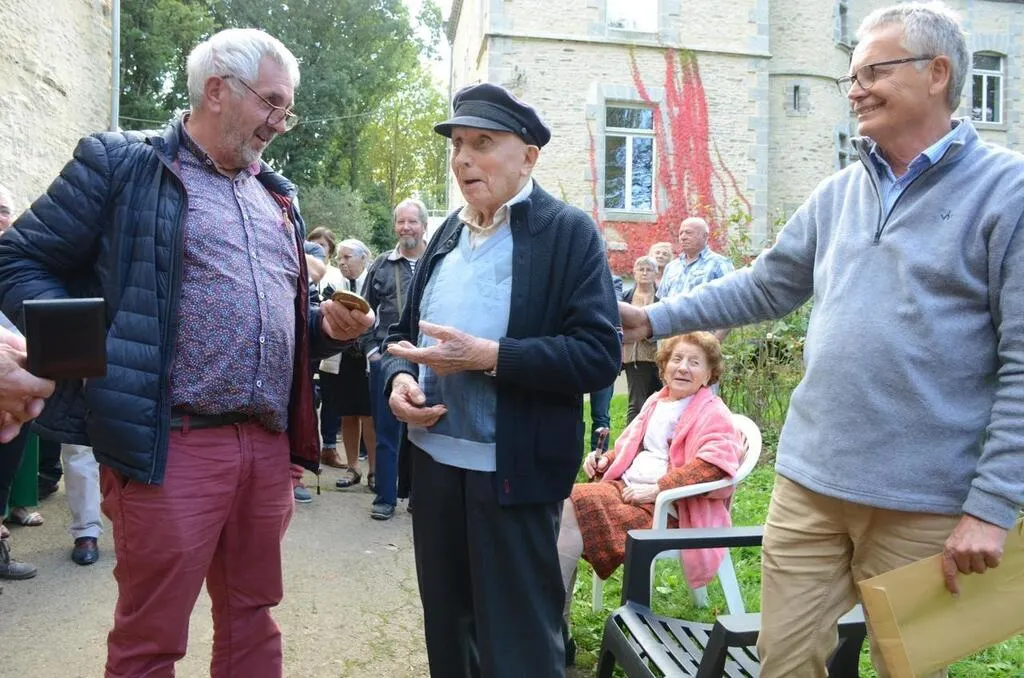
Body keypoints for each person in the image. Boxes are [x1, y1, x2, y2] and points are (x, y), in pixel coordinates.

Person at [619, 4, 1024, 677]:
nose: (856, 86)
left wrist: (991, 506)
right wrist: (654, 319)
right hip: (810, 486)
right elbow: (765, 285)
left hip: (922, 505)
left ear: (937, 73)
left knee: (912, 670)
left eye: (873, 71)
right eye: (851, 75)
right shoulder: (840, 191)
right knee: (785, 665)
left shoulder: (1007, 194)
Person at [0, 28, 372, 676]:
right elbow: (19, 258)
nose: (282, 124)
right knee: (152, 637)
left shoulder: (276, 197)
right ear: (217, 90)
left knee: (254, 619)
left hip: (264, 444)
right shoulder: (122, 164)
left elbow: (271, 323)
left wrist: (321, 327)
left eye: (289, 109)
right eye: (273, 104)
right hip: (170, 443)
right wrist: (84, 355)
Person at [382, 83, 621, 676]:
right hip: (436, 466)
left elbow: (597, 354)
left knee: (519, 640)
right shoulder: (445, 235)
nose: (463, 159)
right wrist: (400, 381)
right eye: (458, 144)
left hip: (512, 475)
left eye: (482, 143)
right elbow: (402, 338)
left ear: (529, 155)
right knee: (449, 628)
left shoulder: (567, 233)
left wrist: (491, 357)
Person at [557, 332, 741, 660]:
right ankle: (557, 626)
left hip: (668, 511)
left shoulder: (713, 413)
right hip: (626, 490)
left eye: (694, 362)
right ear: (664, 367)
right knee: (562, 504)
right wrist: (604, 460)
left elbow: (715, 465)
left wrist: (661, 488)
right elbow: (632, 446)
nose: (683, 367)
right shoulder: (658, 400)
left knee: (569, 507)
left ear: (709, 373)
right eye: (676, 359)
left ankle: (556, 627)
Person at [359, 198, 428, 520]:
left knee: (425, 430)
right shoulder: (382, 265)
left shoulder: (438, 260)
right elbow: (363, 312)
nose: (405, 228)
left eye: (411, 221)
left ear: (424, 225)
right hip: (387, 358)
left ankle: (419, 495)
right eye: (400, 222)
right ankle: (385, 497)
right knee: (387, 430)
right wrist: (372, 351)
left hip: (430, 358)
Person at [332, 238, 377, 491]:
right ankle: (352, 468)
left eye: (347, 257)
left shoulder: (374, 281)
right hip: (343, 357)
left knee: (369, 416)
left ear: (363, 258)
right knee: (347, 414)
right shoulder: (334, 284)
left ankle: (374, 470)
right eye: (339, 258)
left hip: (368, 357)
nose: (342, 262)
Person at [657, 217, 734, 342]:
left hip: (701, 340)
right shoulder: (671, 266)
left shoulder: (719, 264)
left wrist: (714, 342)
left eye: (688, 233)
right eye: (681, 233)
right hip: (669, 340)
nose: (683, 237)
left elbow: (732, 307)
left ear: (705, 236)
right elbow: (661, 305)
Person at [621, 256, 661, 424]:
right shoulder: (625, 297)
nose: (644, 273)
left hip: (659, 356)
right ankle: (631, 443)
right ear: (634, 273)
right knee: (637, 403)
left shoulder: (662, 296)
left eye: (649, 270)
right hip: (635, 357)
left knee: (659, 401)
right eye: (641, 269)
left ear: (656, 273)